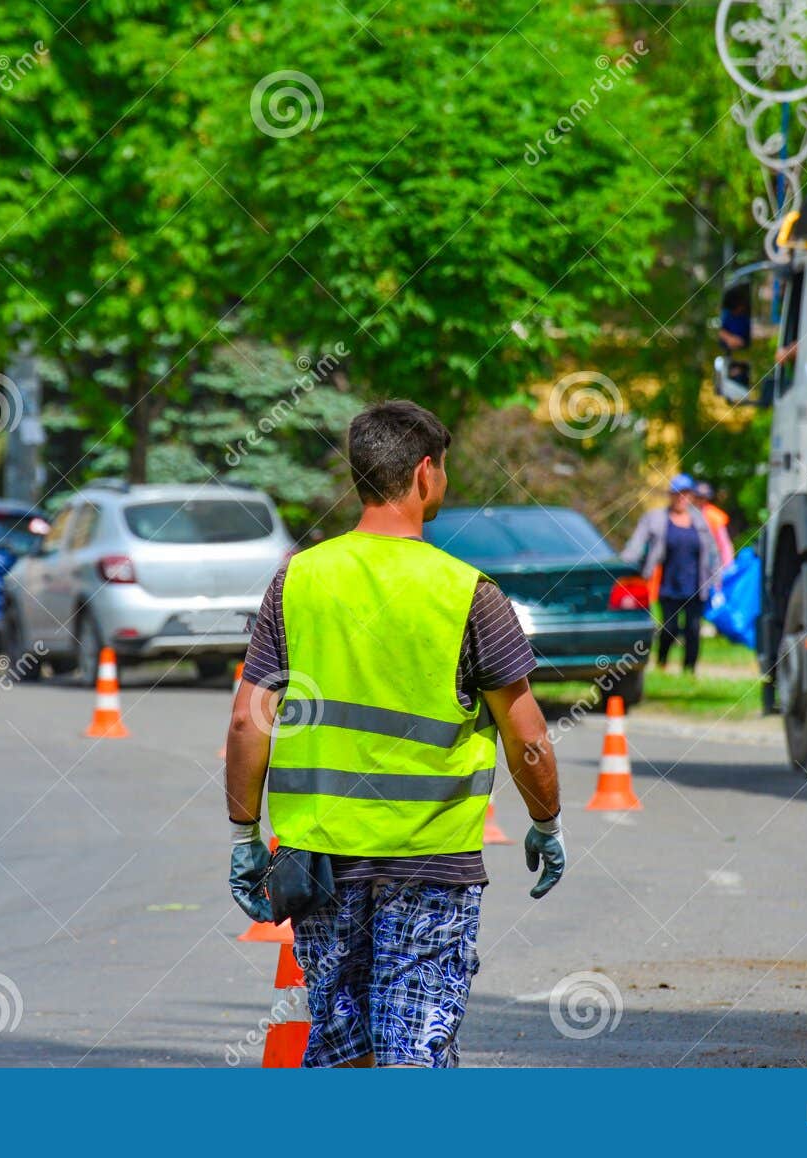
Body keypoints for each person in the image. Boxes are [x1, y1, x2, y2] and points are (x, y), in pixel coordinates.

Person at [224, 400, 565, 1069]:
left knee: (341, 1047)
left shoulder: (298, 580)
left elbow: (246, 719)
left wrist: (243, 837)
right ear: (424, 474)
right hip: (430, 866)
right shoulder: (467, 592)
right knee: (411, 1051)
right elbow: (526, 737)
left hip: (320, 864)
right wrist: (546, 821)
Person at [622, 474, 722, 675]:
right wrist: (624, 564)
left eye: (685, 494)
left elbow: (712, 552)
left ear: (691, 496)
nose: (681, 499)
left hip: (696, 585)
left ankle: (689, 670)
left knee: (693, 630)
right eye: (677, 494)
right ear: (671, 495)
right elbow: (636, 544)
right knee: (670, 628)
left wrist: (717, 581)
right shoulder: (658, 519)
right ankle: (662, 662)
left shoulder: (699, 521)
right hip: (669, 585)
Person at [691, 480, 735, 571]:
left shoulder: (714, 516)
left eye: (703, 497)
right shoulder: (685, 513)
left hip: (710, 562)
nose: (700, 500)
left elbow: (724, 544)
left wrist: (728, 566)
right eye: (698, 497)